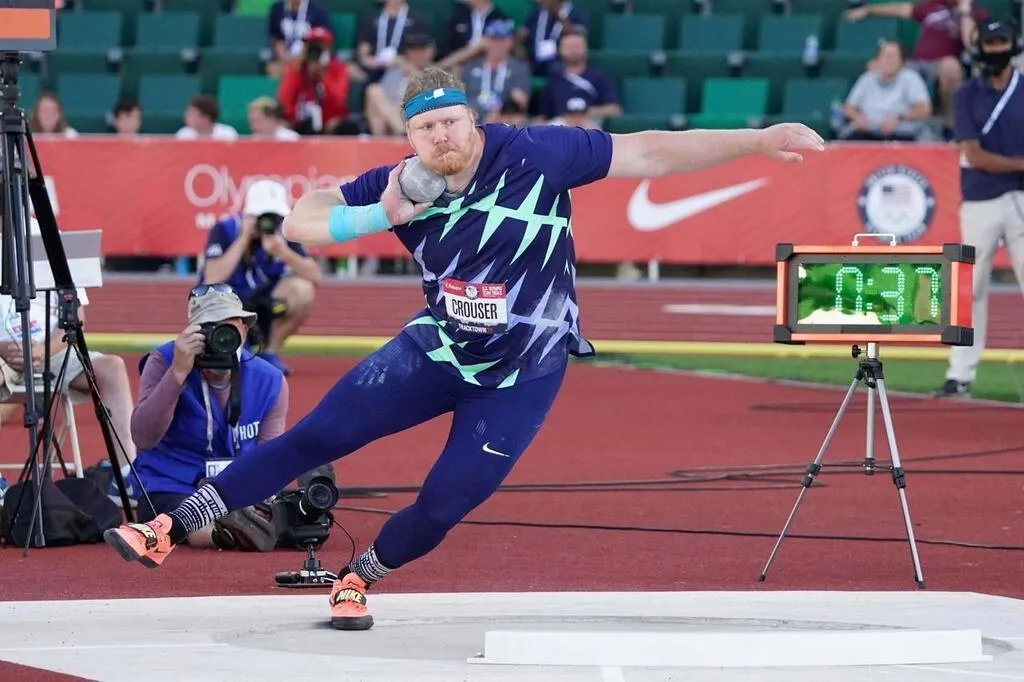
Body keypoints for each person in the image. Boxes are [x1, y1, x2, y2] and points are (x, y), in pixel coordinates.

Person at [102, 66, 824, 631]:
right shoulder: (400, 185)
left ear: (473, 121)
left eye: (450, 122)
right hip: (439, 349)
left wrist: (756, 140)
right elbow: (302, 220)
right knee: (318, 436)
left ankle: (359, 577)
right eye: (425, 129)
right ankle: (169, 526)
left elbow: (649, 151)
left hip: (523, 374)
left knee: (445, 504)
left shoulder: (539, 153)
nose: (441, 138)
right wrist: (379, 213)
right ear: (411, 137)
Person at [125, 285, 288, 551]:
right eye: (209, 328)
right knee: (182, 516)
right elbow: (143, 437)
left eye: (229, 328)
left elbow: (271, 455)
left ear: (244, 329)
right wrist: (177, 373)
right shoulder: (164, 361)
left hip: (237, 489)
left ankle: (246, 526)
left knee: (291, 513)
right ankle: (226, 534)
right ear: (191, 333)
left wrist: (266, 498)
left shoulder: (269, 379)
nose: (220, 338)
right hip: (174, 486)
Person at [0, 220, 135, 474]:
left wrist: (45, 349)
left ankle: (127, 472)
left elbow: (76, 316)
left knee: (112, 368)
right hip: (3, 354)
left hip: (51, 350)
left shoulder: (50, 238)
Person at [935, 19, 1024, 397]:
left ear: (1012, 45)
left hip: (1019, 199)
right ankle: (960, 374)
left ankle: (960, 375)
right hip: (980, 199)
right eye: (990, 42)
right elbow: (973, 154)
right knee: (970, 289)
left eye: (1001, 41)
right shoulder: (967, 93)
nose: (995, 49)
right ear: (979, 47)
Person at [198, 179, 322, 375]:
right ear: (249, 214)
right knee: (228, 362)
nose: (268, 222)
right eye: (263, 216)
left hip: (262, 299)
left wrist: (283, 252)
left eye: (275, 216)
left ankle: (268, 353)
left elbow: (316, 276)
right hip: (226, 301)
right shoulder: (226, 229)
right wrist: (243, 239)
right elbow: (212, 277)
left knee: (303, 290)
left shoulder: (283, 233)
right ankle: (236, 350)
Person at [843, 0, 989, 137]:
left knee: (950, 67)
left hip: (941, 65)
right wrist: (869, 10)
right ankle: (873, 122)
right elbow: (900, 9)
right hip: (915, 62)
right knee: (877, 65)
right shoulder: (933, 6)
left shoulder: (976, 13)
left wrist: (965, 10)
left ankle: (950, 125)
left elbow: (971, 44)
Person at [838, 40, 933, 142]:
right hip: (867, 131)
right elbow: (848, 108)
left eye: (892, 57)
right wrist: (857, 117)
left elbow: (924, 109)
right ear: (877, 60)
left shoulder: (911, 78)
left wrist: (899, 117)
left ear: (901, 61)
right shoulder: (867, 78)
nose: (888, 61)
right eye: (885, 56)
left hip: (900, 133)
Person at [277, 27, 350, 136]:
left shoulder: (337, 68)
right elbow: (284, 100)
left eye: (319, 46)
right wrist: (298, 71)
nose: (314, 51)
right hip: (300, 123)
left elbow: (339, 101)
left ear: (328, 48)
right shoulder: (295, 69)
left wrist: (323, 75)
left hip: (330, 122)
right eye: (310, 45)